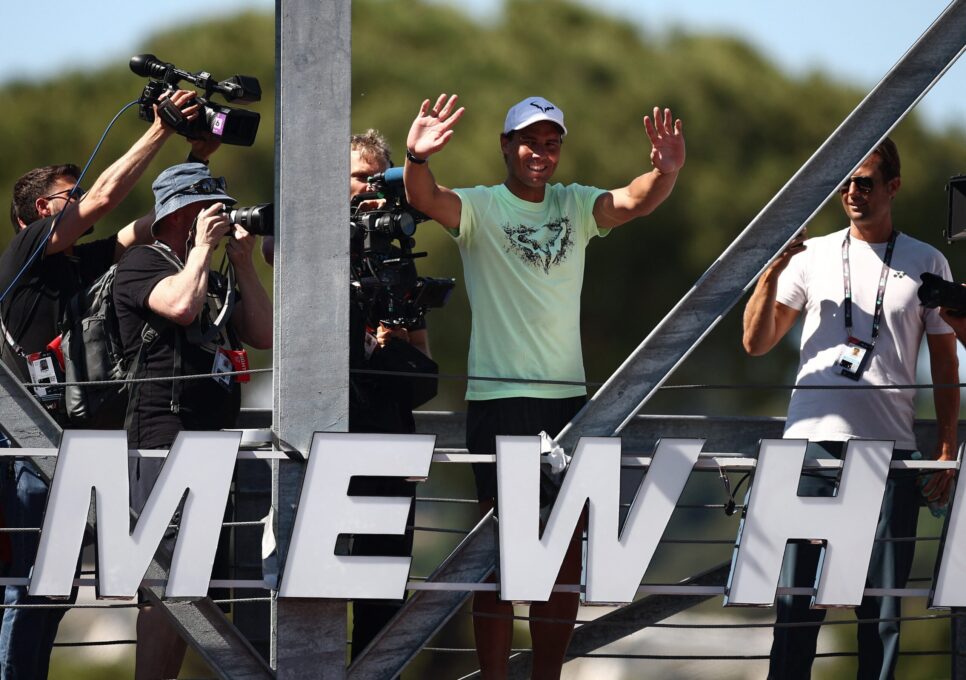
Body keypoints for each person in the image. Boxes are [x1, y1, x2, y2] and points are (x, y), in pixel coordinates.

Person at [404, 94, 685, 679]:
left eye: (551, 142)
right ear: (506, 145)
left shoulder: (575, 205)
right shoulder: (481, 207)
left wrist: (667, 170)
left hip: (566, 402)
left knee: (565, 552)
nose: (541, 152)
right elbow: (424, 199)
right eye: (529, 141)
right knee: (496, 557)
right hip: (497, 401)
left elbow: (633, 201)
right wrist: (416, 156)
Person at [0, 89, 202, 680]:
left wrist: (197, 163)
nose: (86, 202)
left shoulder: (71, 264)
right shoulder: (24, 254)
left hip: (72, 453)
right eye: (71, 195)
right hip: (28, 455)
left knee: (52, 597)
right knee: (25, 594)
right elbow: (108, 198)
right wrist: (160, 129)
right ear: (42, 211)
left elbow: (146, 225)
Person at [741, 138, 959, 679]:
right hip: (810, 448)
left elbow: (947, 362)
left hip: (890, 454)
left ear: (893, 187)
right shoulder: (811, 254)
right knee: (796, 605)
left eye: (864, 181)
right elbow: (756, 342)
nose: (853, 191)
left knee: (880, 609)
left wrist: (948, 444)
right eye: (845, 181)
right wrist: (771, 272)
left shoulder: (925, 261)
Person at [263, 130, 432, 662]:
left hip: (389, 438)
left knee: (384, 591)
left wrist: (395, 337)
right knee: (316, 587)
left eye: (378, 177)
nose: (368, 188)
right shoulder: (310, 242)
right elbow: (272, 246)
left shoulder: (394, 252)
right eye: (358, 177)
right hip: (325, 440)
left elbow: (423, 365)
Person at [113, 162, 272, 680]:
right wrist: (201, 250)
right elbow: (180, 307)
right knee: (165, 583)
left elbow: (264, 333)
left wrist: (244, 263)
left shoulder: (215, 275)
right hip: (163, 434)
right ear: (181, 211)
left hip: (213, 436)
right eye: (211, 209)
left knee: (197, 584)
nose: (221, 218)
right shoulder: (142, 262)